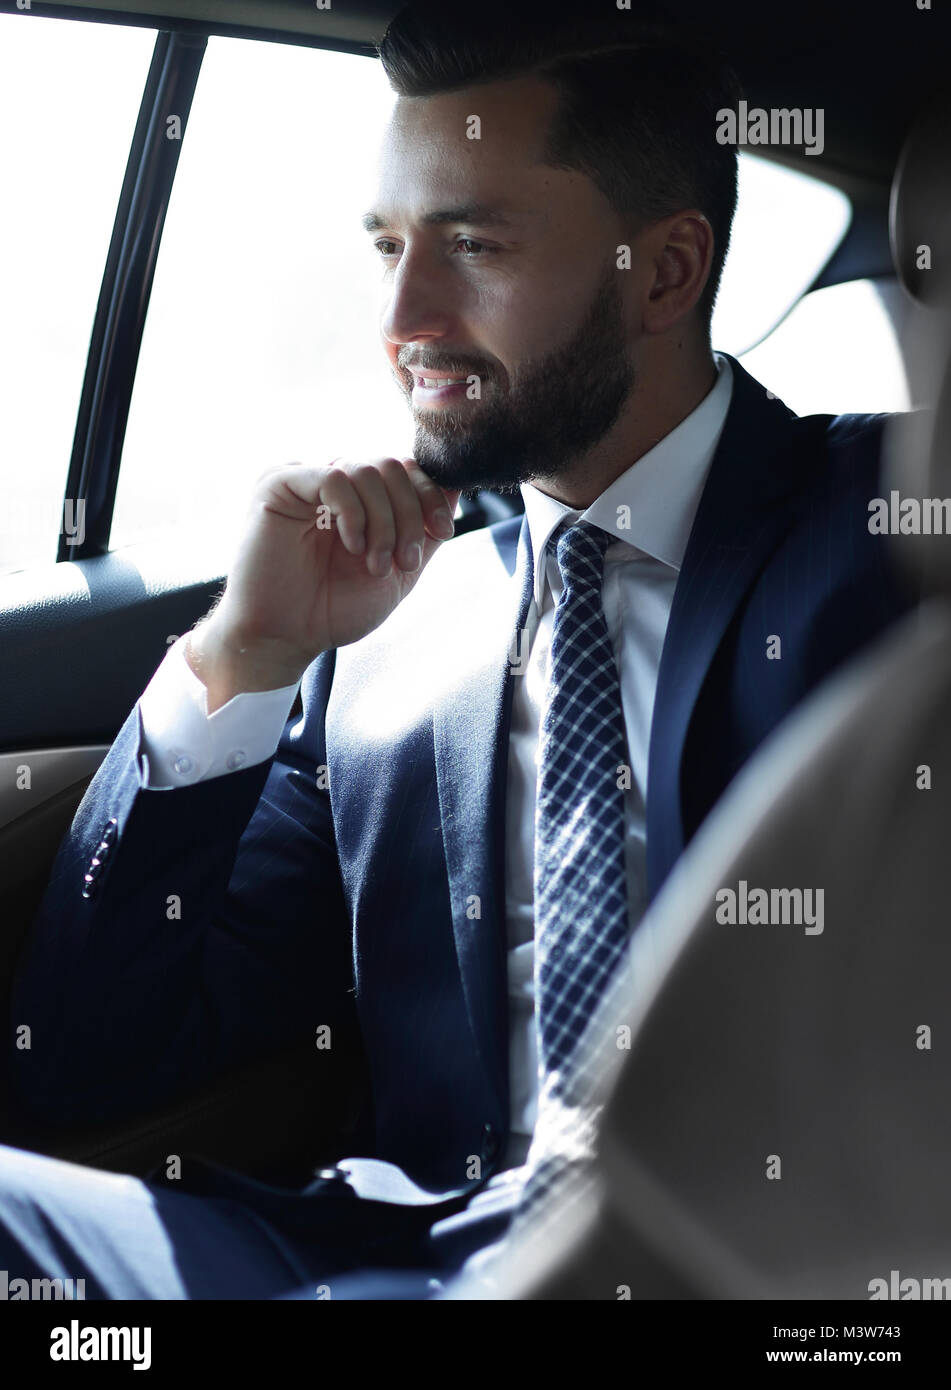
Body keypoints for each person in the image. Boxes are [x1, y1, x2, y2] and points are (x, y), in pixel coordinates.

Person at [2, 2, 917, 1299]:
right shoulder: (382, 644)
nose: (402, 316)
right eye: (386, 247)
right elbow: (83, 1058)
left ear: (663, 273)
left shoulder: (897, 532)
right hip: (427, 1261)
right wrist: (242, 658)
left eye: (472, 244)